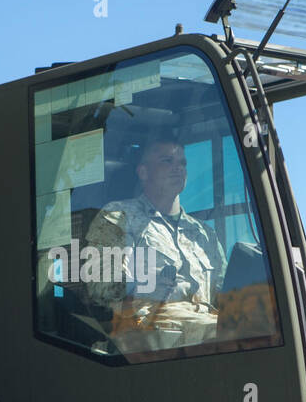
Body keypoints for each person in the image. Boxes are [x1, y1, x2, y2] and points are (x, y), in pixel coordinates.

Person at [84, 138, 225, 351]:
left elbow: (224, 293)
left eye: (183, 163)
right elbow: (100, 290)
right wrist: (146, 290)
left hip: (205, 325)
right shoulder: (118, 217)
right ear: (143, 172)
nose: (178, 168)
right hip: (150, 329)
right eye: (167, 161)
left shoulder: (204, 234)